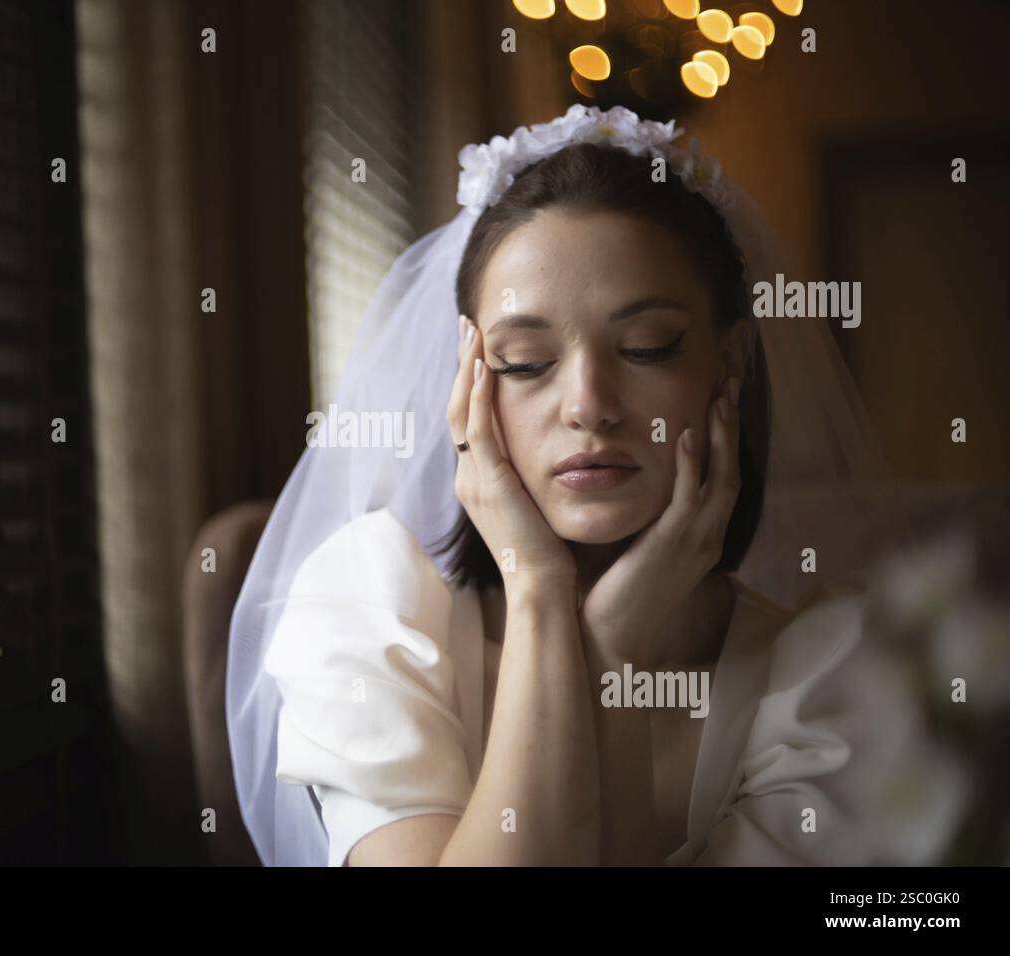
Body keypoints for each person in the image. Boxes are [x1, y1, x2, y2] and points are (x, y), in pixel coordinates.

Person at [228, 105, 913, 867]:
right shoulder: (377, 614)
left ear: (730, 365)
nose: (588, 404)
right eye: (525, 360)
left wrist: (613, 647)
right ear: (468, 383)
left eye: (647, 347)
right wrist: (537, 588)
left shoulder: (824, 681)